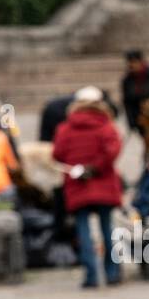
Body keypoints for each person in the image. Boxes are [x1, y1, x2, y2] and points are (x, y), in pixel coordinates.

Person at [51, 86, 124, 288]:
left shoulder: (65, 128)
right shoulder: (106, 126)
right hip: (103, 182)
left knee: (83, 230)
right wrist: (95, 167)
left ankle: (91, 275)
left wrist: (80, 167)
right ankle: (112, 273)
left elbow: (57, 154)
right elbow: (112, 151)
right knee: (107, 228)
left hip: (77, 184)